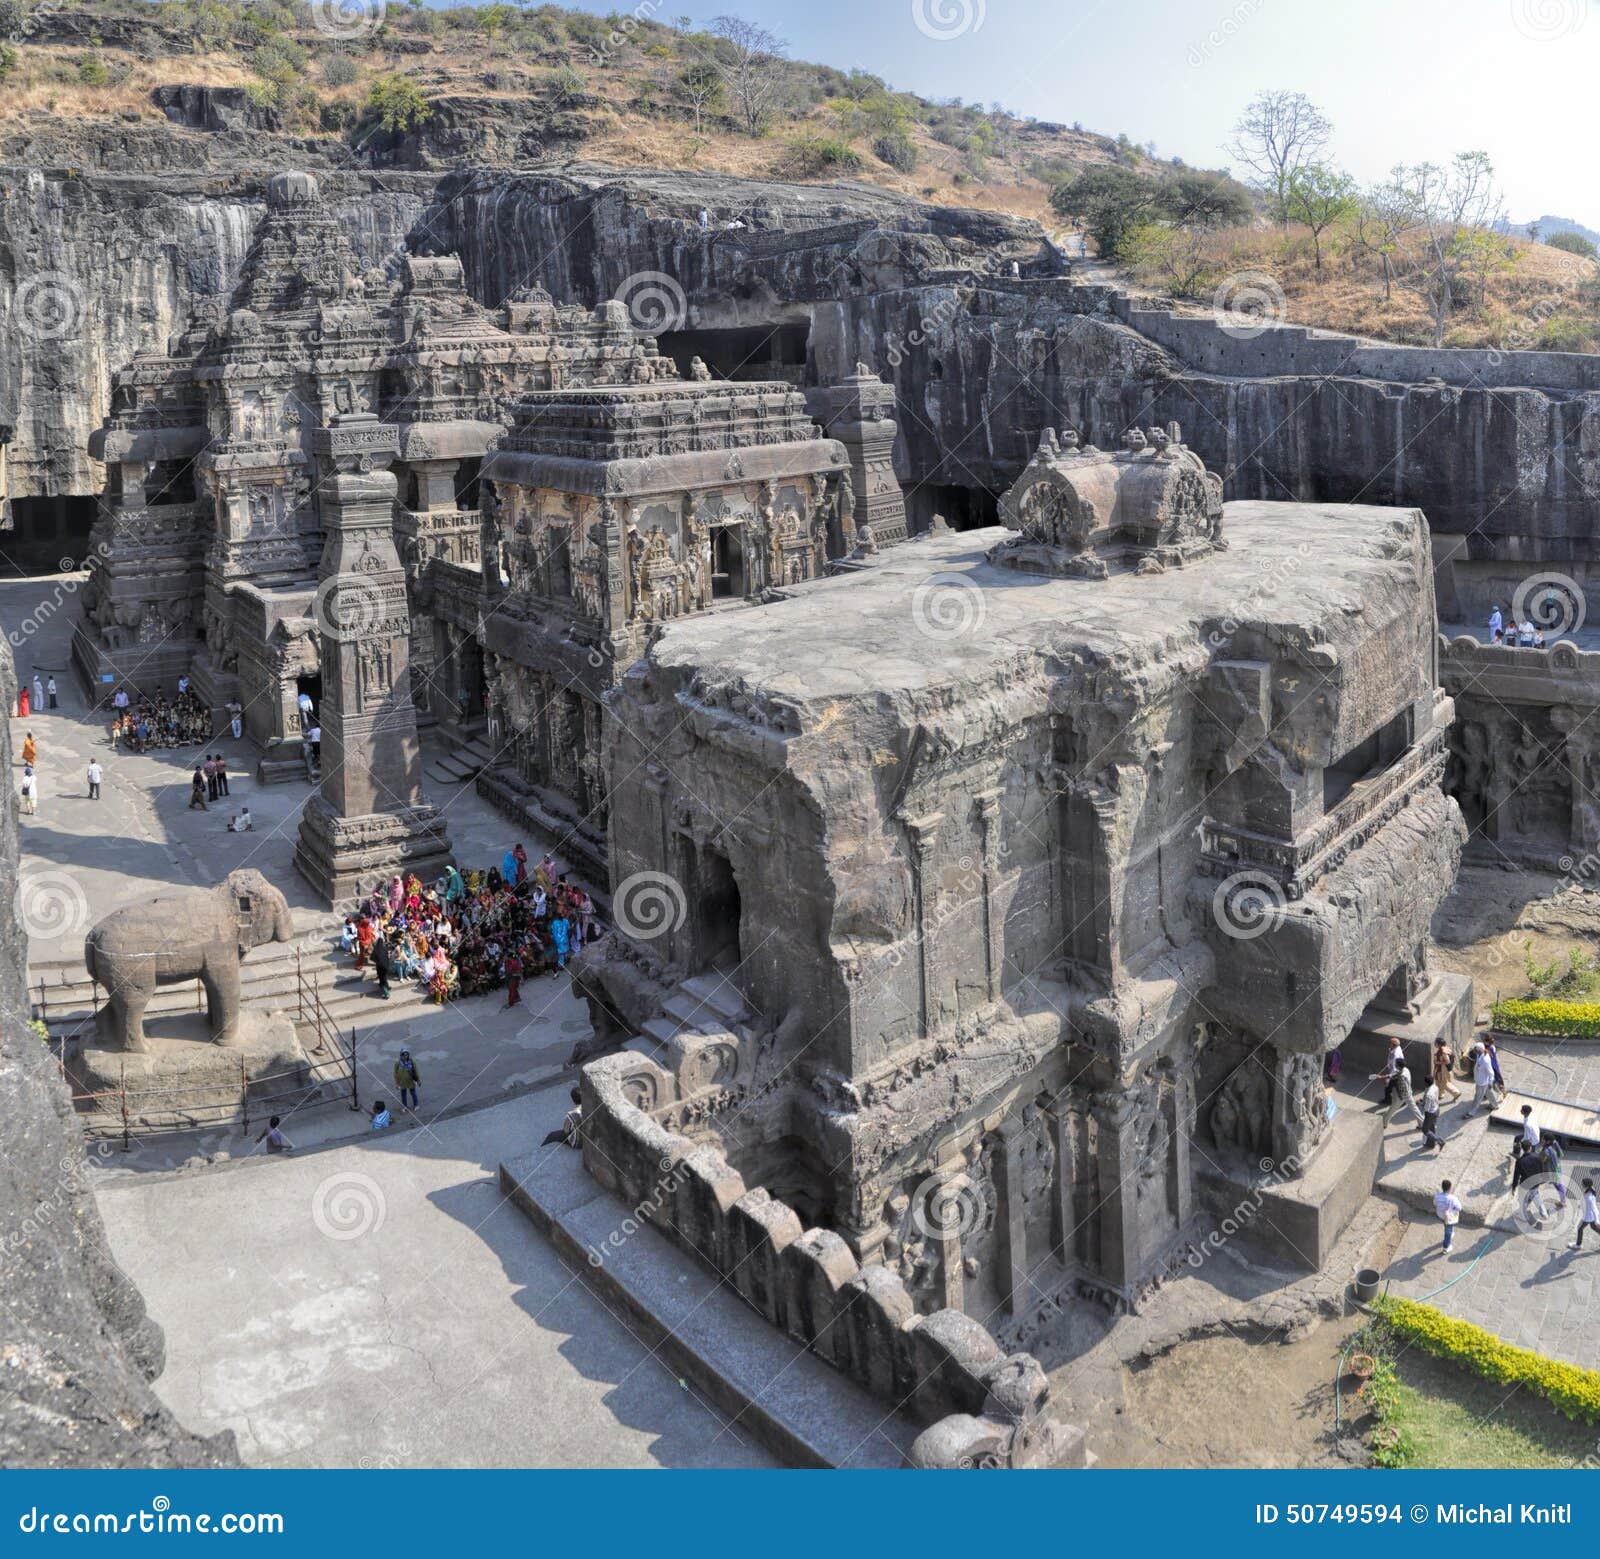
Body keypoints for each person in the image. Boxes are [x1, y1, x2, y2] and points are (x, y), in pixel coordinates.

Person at [1567, 1177, 1600, 1250]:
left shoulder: (1589, 1197)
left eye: (1583, 1184)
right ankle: (1578, 1244)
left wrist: (1597, 1220)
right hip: (1590, 1216)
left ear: (1586, 1185)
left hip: (1587, 1217)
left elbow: (1594, 1208)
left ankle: (1578, 1245)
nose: (1581, 1184)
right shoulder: (1591, 1189)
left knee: (1579, 1228)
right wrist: (1581, 1205)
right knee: (1593, 1227)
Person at [1434, 1179, 1462, 1253]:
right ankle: (1446, 1247)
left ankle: (1450, 1233)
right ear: (1450, 1188)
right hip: (1449, 1217)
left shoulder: (1437, 1196)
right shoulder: (1453, 1198)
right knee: (1448, 1231)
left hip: (1440, 1214)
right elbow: (1459, 1208)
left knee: (1445, 1224)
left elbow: (1435, 1204)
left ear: (1442, 1187)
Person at [1431, 1037, 1462, 1103]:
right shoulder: (1445, 1048)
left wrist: (1438, 1062)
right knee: (1438, 1082)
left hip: (1441, 1070)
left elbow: (1447, 1061)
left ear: (1439, 1044)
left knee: (1444, 1083)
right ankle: (1441, 1094)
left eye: (1436, 1043)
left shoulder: (1442, 1051)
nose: (1435, 1044)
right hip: (1442, 1070)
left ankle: (1456, 1093)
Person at [1469, 1045, 1497, 1113]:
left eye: (1475, 1050)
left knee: (1478, 1097)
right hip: (1482, 1080)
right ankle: (1494, 1105)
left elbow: (1491, 1072)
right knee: (1489, 1093)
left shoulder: (1485, 1060)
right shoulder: (1480, 1055)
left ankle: (1472, 1112)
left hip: (1482, 1082)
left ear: (1479, 1050)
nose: (1474, 1051)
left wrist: (1491, 1082)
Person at [1419, 1078, 1444, 1151]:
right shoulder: (1435, 1086)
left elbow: (1427, 1108)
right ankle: (1431, 1144)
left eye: (1424, 1083)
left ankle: (1440, 1141)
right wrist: (1423, 1101)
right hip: (1436, 1109)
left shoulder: (1428, 1095)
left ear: (1426, 1084)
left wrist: (1420, 1104)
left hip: (1430, 1113)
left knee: (1425, 1130)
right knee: (1431, 1128)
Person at [372, 931, 394, 1000]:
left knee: (382, 981)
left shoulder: (376, 950)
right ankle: (387, 987)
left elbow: (372, 957)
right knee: (384, 978)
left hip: (380, 968)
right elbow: (387, 957)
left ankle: (386, 994)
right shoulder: (384, 949)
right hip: (385, 967)